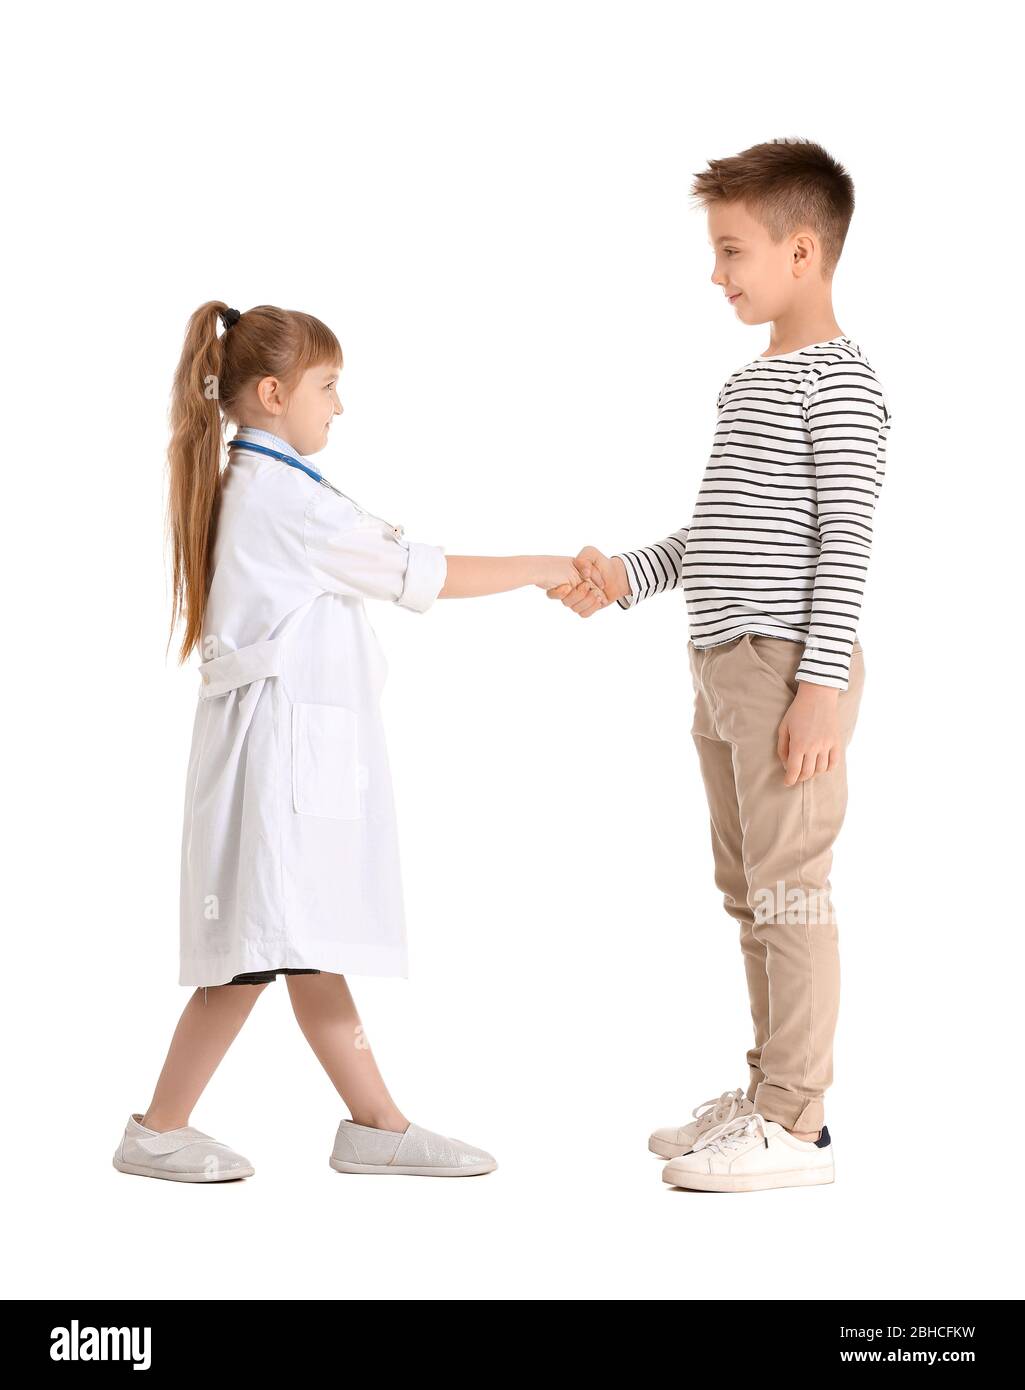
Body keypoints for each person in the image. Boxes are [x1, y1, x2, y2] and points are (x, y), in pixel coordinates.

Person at [112, 300, 604, 1183]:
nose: (339, 406)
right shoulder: (284, 501)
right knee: (258, 954)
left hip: (282, 756)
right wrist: (547, 568)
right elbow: (425, 572)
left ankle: (376, 1125)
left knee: (299, 943)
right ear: (271, 393)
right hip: (275, 764)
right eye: (328, 387)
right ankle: (160, 1126)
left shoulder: (263, 486)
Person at [548, 139, 893, 1193]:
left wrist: (821, 684)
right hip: (721, 669)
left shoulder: (839, 385)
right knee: (747, 892)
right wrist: (628, 575)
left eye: (731, 250)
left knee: (789, 892)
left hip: (790, 668)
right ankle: (765, 1091)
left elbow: (844, 539)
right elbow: (715, 534)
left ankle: (795, 1123)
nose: (716, 274)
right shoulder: (751, 383)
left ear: (801, 250)